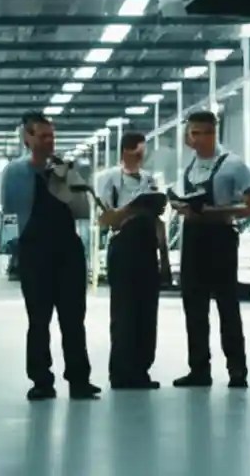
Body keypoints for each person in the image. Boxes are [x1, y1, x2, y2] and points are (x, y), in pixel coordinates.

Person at [0, 112, 100, 401]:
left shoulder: (65, 169)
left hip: (68, 251)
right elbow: (9, 213)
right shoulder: (15, 172)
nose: (48, 141)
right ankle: (41, 380)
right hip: (34, 251)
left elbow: (82, 209)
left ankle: (79, 380)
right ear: (27, 138)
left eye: (51, 136)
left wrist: (65, 180)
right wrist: (12, 250)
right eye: (42, 136)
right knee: (38, 320)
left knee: (73, 319)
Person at [170, 111, 250, 389]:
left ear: (212, 133)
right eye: (191, 133)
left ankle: (237, 370)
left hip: (221, 237)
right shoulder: (190, 168)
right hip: (193, 238)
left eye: (200, 133)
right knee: (194, 307)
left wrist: (218, 211)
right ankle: (199, 369)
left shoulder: (233, 166)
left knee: (226, 305)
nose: (194, 139)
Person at [97, 132, 166, 389]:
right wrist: (132, 209)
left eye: (143, 152)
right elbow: (105, 220)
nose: (141, 157)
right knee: (125, 312)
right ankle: (121, 372)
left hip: (148, 249)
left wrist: (165, 258)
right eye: (137, 152)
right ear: (125, 151)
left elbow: (159, 221)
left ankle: (142, 370)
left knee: (148, 312)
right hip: (123, 246)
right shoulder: (110, 180)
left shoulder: (150, 180)